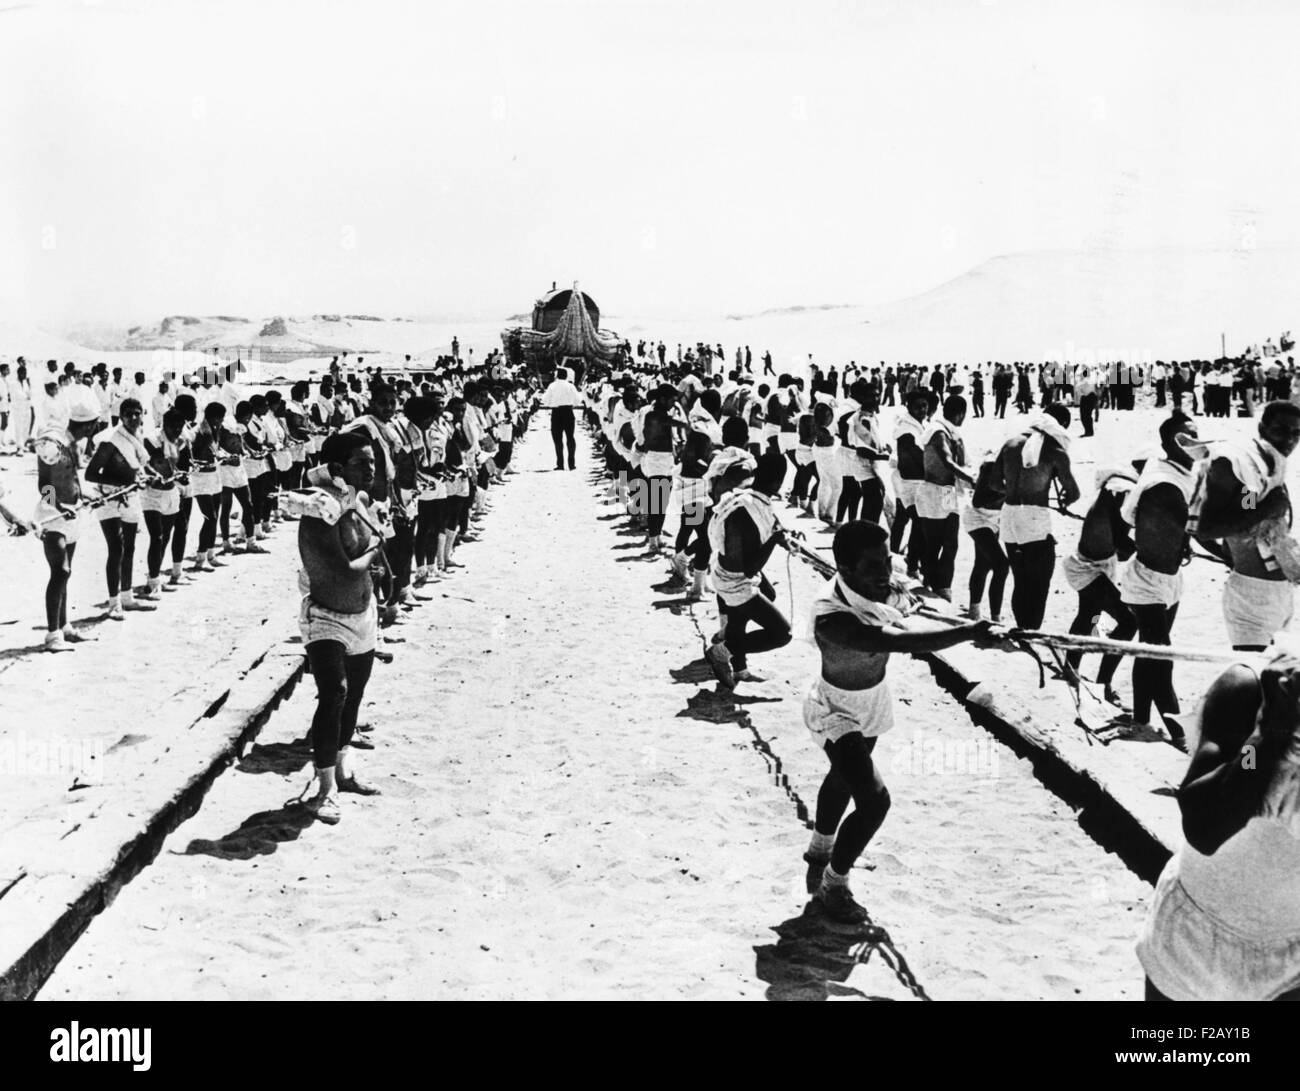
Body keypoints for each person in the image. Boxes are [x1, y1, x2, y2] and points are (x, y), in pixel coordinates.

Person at [802, 521, 995, 922]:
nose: (885, 573)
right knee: (874, 802)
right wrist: (968, 633)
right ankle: (834, 885)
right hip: (833, 710)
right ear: (845, 568)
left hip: (871, 702)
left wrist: (981, 630)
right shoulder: (831, 617)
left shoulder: (878, 590)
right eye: (874, 565)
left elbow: (909, 605)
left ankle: (821, 847)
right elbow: (896, 641)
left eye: (887, 560)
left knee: (841, 778)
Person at [1138, 651, 1300, 999]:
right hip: (1194, 940)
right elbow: (1204, 827)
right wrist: (1268, 735)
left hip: (1290, 961)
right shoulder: (1252, 688)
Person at [288, 431, 384, 824]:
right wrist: (377, 547)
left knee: (354, 696)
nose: (372, 469)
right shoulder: (320, 510)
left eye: (373, 461)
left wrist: (373, 546)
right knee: (334, 695)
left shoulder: (358, 501)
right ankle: (324, 788)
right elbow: (343, 570)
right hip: (327, 616)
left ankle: (341, 771)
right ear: (339, 468)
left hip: (363, 613)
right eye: (363, 463)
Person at [1118, 412, 1203, 746]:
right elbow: (1201, 527)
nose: (1194, 443)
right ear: (1170, 443)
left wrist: (1181, 544)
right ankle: (1181, 735)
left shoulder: (1182, 474)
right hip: (1147, 581)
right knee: (1161, 658)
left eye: (1196, 435)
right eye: (1186, 437)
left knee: (1149, 653)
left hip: (1170, 579)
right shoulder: (1165, 482)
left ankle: (1141, 719)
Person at [1195, 401, 1300, 651]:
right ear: (1262, 428)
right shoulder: (1238, 465)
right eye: (1281, 430)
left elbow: (1245, 511)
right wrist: (1267, 510)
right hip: (1252, 598)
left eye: (1297, 433)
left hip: (1280, 594)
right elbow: (1205, 528)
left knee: (1275, 682)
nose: (1289, 440)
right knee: (1254, 680)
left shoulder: (1260, 474)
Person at [706, 451, 793, 687]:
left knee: (746, 612)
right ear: (778, 483)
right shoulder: (745, 509)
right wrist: (775, 540)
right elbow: (748, 569)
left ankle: (740, 670)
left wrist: (786, 536)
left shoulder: (753, 497)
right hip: (734, 579)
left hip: (732, 572)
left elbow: (771, 524)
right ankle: (722, 651)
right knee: (782, 634)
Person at [991, 405, 1079, 629]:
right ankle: (1033, 631)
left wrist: (1014, 490)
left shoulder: (1010, 444)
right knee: (1039, 581)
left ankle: (1022, 628)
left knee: (1020, 579)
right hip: (1034, 518)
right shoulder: (1055, 452)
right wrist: (1061, 501)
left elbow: (993, 483)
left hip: (1009, 515)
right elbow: (1073, 493)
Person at [34, 386, 104, 651]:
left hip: (72, 513)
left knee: (67, 572)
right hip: (53, 515)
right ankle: (52, 635)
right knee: (60, 571)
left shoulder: (72, 444)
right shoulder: (53, 444)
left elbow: (71, 479)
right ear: (89, 426)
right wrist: (58, 506)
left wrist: (82, 498)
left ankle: (64, 627)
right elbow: (44, 485)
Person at [1061, 467, 1139, 703]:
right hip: (1088, 569)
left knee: (1088, 615)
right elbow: (1123, 548)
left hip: (1095, 566)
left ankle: (1071, 668)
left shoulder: (1109, 505)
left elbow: (1121, 549)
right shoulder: (1111, 506)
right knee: (1128, 622)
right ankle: (1103, 682)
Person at [84, 397, 156, 620]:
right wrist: (122, 484)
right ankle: (113, 603)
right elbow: (90, 474)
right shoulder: (111, 441)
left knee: (130, 548)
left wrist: (150, 476)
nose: (134, 418)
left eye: (137, 413)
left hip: (130, 497)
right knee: (116, 549)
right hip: (109, 498)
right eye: (129, 414)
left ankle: (127, 597)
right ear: (121, 417)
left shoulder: (137, 438)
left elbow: (136, 468)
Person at [915, 394, 972, 599]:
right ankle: (932, 583)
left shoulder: (945, 429)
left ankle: (943, 586)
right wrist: (972, 480)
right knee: (934, 542)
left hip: (948, 493)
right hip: (934, 493)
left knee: (950, 542)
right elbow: (947, 461)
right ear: (960, 414)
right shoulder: (938, 431)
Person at [889, 389, 932, 577]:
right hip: (909, 483)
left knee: (905, 519)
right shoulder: (907, 431)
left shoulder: (916, 425)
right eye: (918, 406)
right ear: (909, 407)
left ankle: (899, 556)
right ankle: (911, 564)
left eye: (924, 406)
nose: (922, 410)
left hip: (911, 481)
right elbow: (915, 457)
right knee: (919, 522)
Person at [541, 366, 582, 470]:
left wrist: (552, 403)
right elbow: (578, 400)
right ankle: (571, 464)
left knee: (557, 439)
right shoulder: (571, 386)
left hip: (556, 413)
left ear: (557, 375)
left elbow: (545, 400)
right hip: (568, 412)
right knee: (570, 438)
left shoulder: (552, 386)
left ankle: (560, 464)